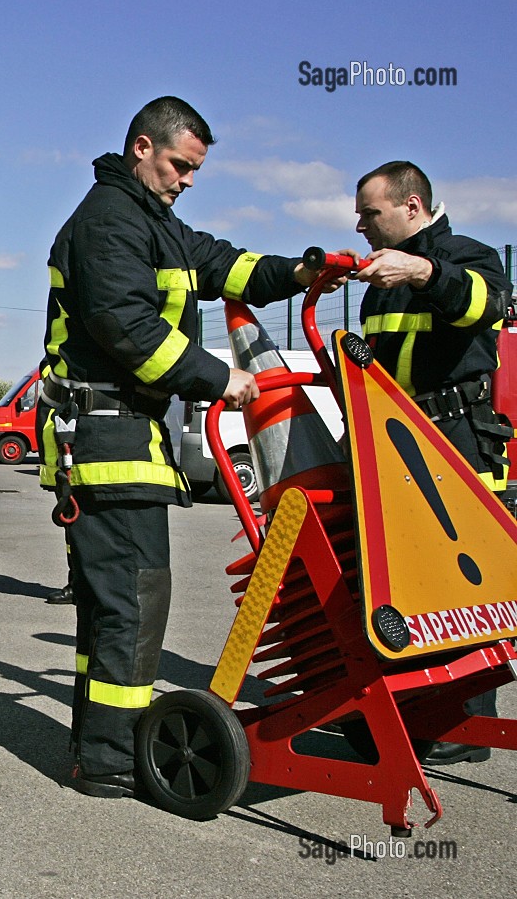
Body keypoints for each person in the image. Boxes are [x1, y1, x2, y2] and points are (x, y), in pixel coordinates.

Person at [39, 96, 332, 798]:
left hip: (126, 439)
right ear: (142, 146)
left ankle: (101, 743)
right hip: (107, 439)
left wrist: (301, 273)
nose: (187, 180)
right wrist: (219, 376)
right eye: (179, 165)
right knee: (132, 606)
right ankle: (112, 758)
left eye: (195, 170)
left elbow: (225, 265)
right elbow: (128, 329)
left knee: (117, 606)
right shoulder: (108, 222)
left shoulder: (154, 223)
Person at [351, 160, 513, 766]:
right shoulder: (378, 283)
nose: (361, 225)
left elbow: (484, 304)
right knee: (408, 585)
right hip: (398, 448)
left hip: (459, 441)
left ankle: (466, 724)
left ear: (411, 206)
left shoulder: (469, 256)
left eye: (371, 212)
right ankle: (415, 711)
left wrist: (421, 271)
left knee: (468, 588)